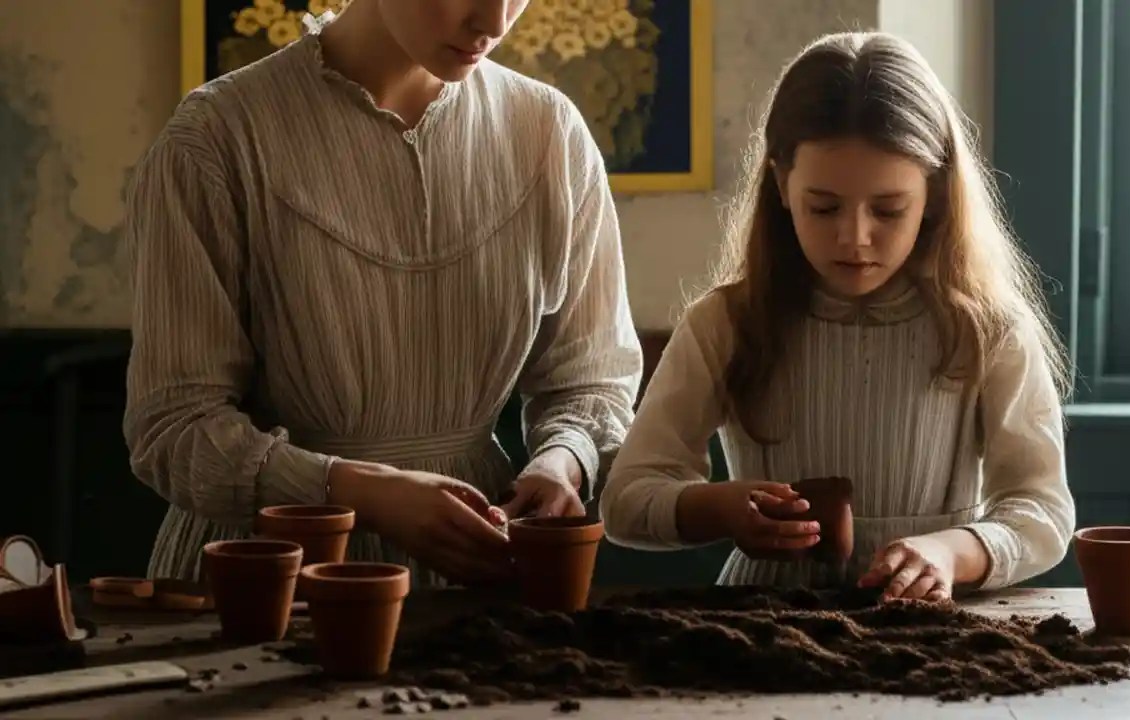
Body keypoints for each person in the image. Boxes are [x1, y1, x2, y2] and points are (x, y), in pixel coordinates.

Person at [123, 0, 642, 587]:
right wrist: (363, 493)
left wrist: (563, 460)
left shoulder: (549, 131)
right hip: (272, 577)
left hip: (475, 568)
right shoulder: (217, 138)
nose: (494, 22)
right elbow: (174, 428)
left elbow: (590, 378)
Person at [599, 31, 1075, 601]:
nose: (855, 238)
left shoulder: (986, 329)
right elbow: (626, 500)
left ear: (936, 194)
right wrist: (725, 507)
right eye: (823, 207)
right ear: (781, 183)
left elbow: (1042, 510)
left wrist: (952, 551)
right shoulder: (727, 323)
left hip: (929, 632)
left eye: (888, 209)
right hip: (763, 624)